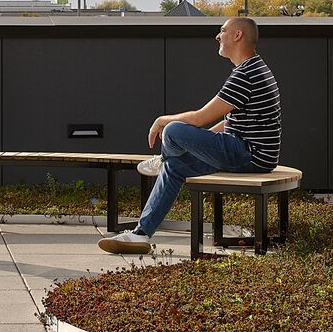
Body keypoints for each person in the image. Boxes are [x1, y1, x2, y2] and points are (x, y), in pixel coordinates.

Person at [99, 15, 281, 255]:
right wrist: (197, 143)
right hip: (248, 152)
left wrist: (161, 121)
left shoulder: (246, 74)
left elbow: (199, 118)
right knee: (175, 166)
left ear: (238, 36)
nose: (218, 36)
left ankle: (164, 158)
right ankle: (141, 234)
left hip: (249, 155)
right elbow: (228, 124)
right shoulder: (253, 68)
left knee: (173, 129)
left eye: (223, 30)